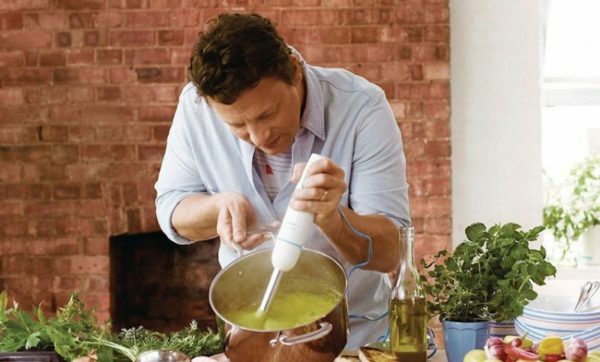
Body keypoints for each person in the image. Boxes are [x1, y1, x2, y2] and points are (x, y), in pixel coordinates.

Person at [154, 12, 410, 349]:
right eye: (237, 126)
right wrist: (216, 208)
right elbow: (171, 211)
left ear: (293, 70)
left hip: (349, 341)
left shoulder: (361, 108)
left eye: (266, 114)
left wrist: (334, 220)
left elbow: (392, 252)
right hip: (250, 340)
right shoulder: (196, 106)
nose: (258, 137)